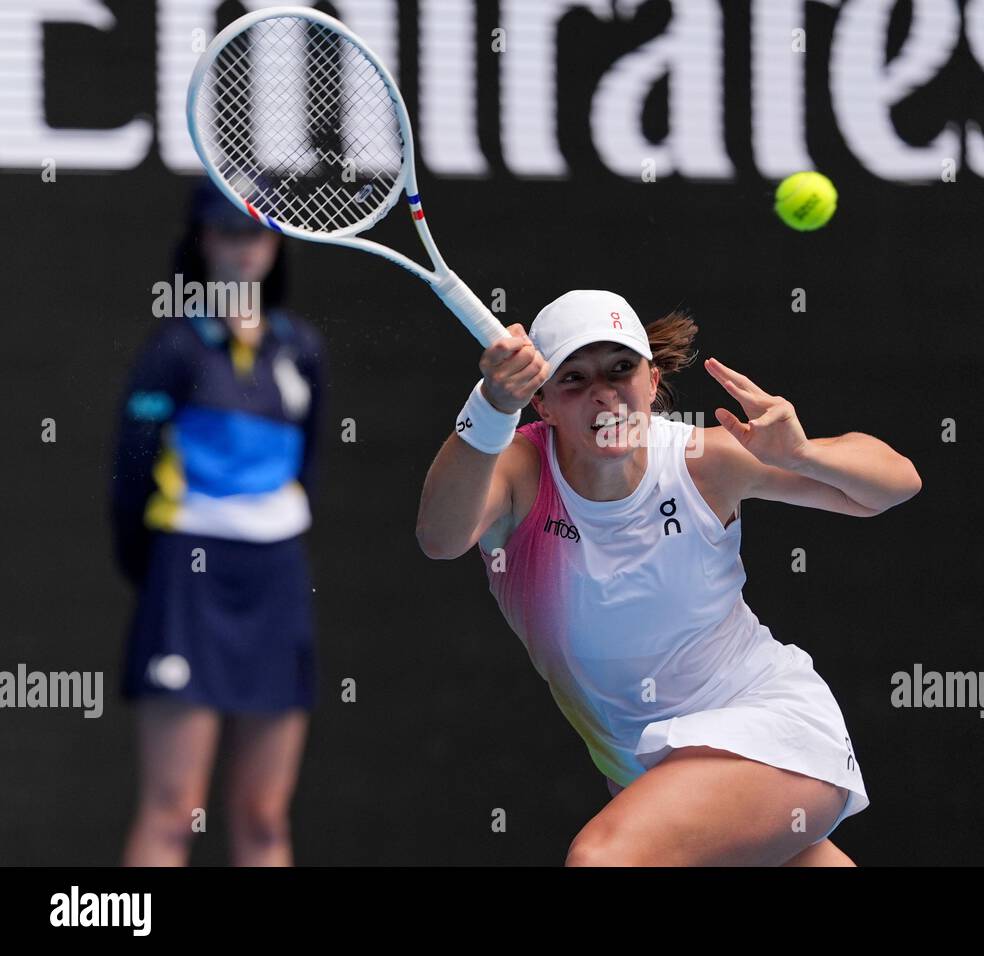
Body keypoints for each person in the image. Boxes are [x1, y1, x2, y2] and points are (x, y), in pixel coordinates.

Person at [416, 290, 921, 866]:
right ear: (543, 404)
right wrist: (488, 406)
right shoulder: (518, 471)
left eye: (621, 369)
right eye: (574, 379)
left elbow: (895, 484)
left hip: (770, 728)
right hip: (657, 773)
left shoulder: (704, 461)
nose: (603, 392)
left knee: (603, 860)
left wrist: (802, 454)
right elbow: (440, 537)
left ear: (653, 382)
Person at [109, 178, 327, 866]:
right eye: (228, 232)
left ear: (275, 245)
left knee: (264, 817)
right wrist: (161, 568)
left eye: (256, 233)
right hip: (187, 580)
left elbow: (309, 466)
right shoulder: (173, 349)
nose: (243, 248)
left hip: (276, 580)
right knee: (173, 813)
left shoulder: (302, 349)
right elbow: (130, 476)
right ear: (203, 241)